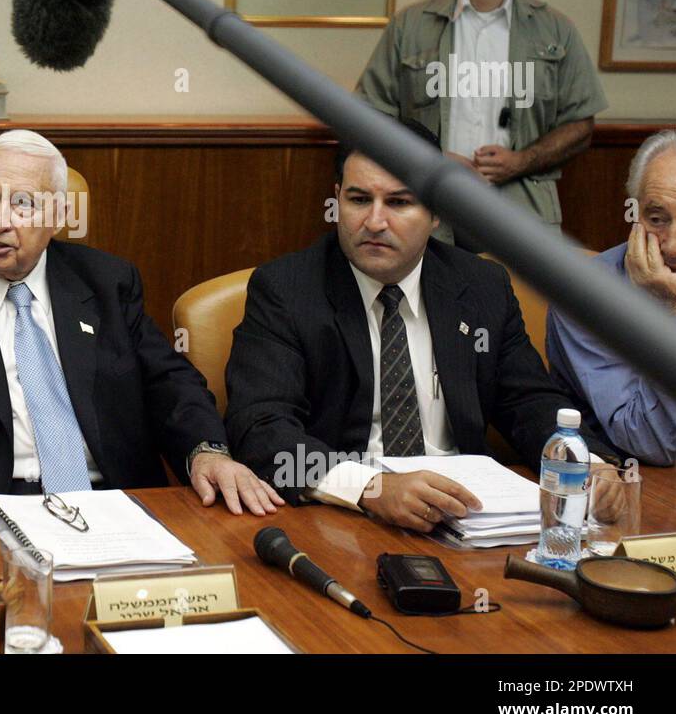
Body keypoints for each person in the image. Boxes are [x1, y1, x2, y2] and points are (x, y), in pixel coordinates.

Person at [0, 129, 283, 534]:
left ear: (60, 215)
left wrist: (207, 452)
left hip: (111, 512)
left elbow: (169, 382)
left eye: (22, 204)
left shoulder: (107, 283)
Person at [223, 120, 618, 532]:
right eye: (359, 199)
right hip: (343, 520)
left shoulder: (482, 286)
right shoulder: (287, 290)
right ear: (337, 200)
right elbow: (262, 427)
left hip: (469, 517)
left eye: (398, 203)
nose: (375, 222)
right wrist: (373, 488)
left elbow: (528, 402)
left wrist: (586, 463)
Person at [356, 0, 608, 248]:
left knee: (520, 302)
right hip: (426, 202)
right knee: (431, 300)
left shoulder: (555, 31)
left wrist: (521, 160)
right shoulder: (410, 26)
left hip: (524, 210)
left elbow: (581, 125)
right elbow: (368, 115)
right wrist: (430, 156)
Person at [547, 129, 676, 465]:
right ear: (634, 215)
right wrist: (672, 311)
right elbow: (654, 443)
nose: (674, 245)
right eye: (657, 219)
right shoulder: (584, 297)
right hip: (638, 489)